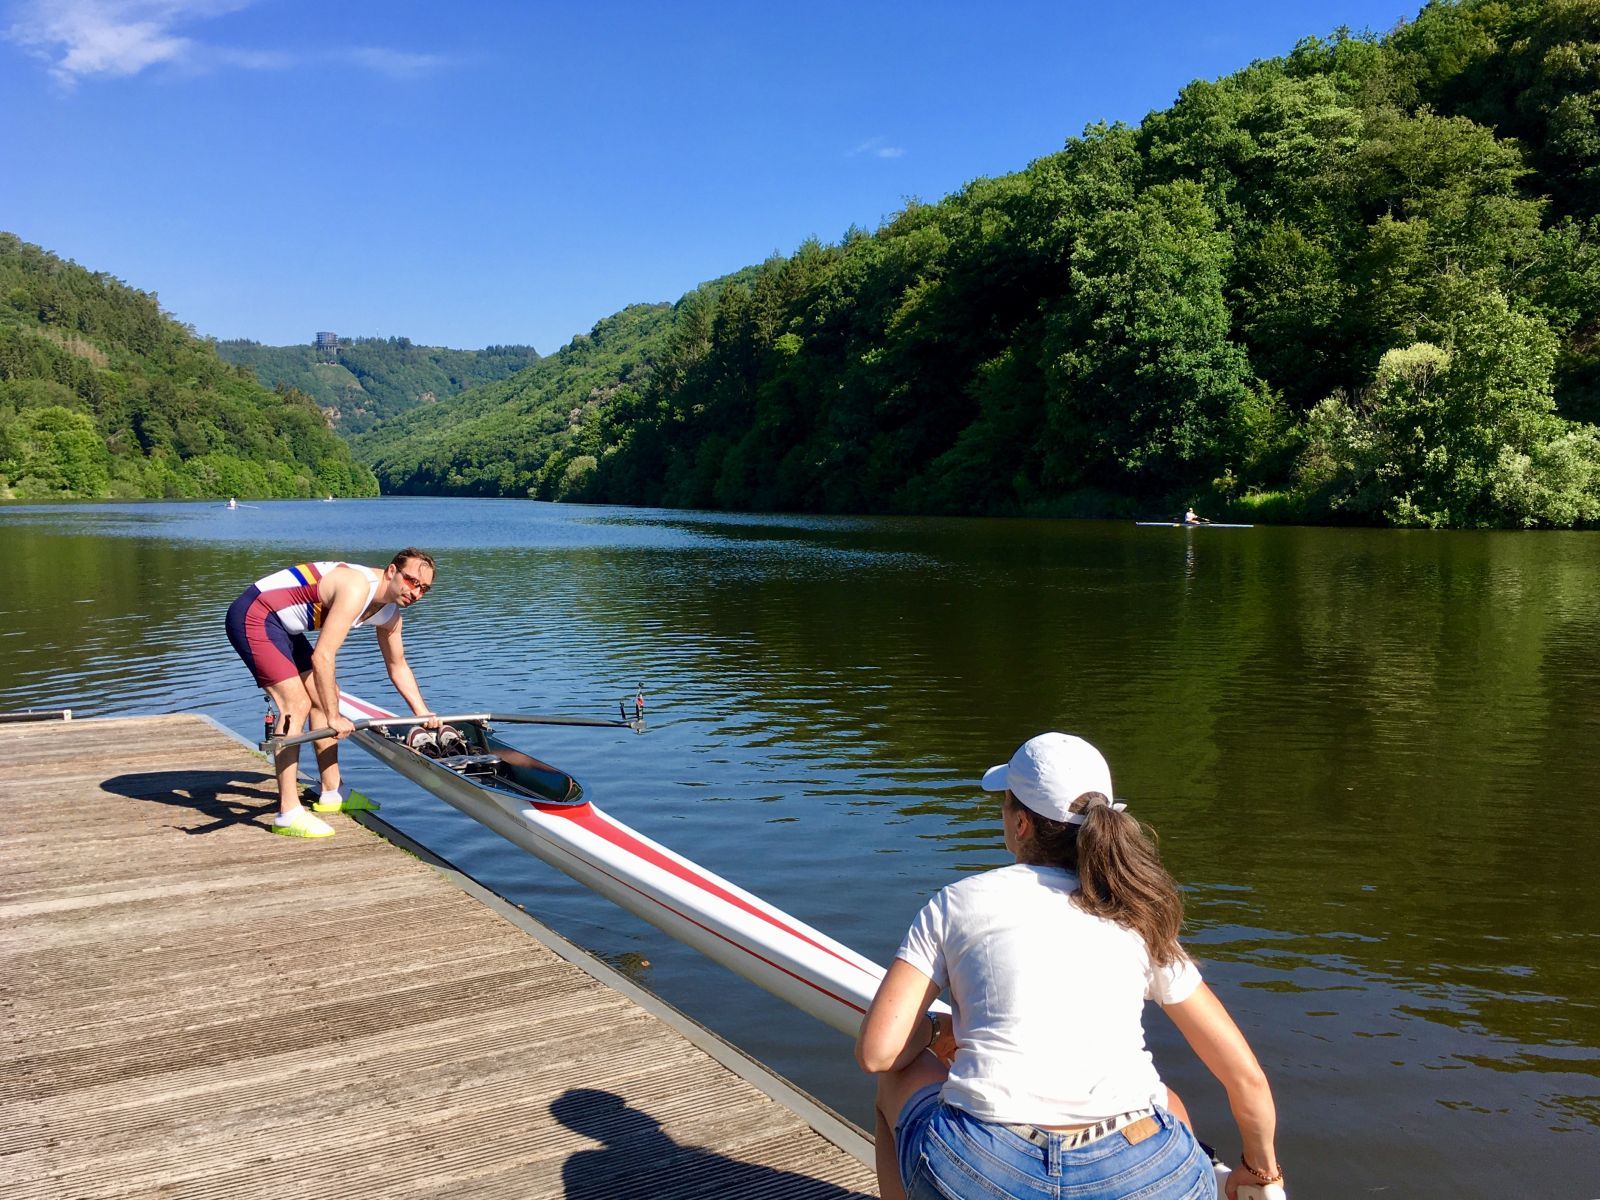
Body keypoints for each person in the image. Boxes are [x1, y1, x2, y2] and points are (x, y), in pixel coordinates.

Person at [857, 733, 1282, 1200]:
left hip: (980, 1169)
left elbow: (878, 1052)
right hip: (1145, 1175)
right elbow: (1245, 1078)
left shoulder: (958, 903)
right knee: (1167, 1103)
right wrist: (1261, 1172)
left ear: (1021, 824)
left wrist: (939, 1034)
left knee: (894, 1081)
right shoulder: (1137, 913)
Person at [224, 549, 440, 838]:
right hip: (254, 614)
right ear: (391, 571)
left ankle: (331, 792)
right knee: (296, 703)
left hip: (284, 628)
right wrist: (334, 716)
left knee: (326, 695)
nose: (416, 593)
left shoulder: (390, 614)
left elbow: (398, 665)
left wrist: (421, 711)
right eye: (412, 581)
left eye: (424, 588)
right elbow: (323, 657)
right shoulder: (356, 587)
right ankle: (288, 813)